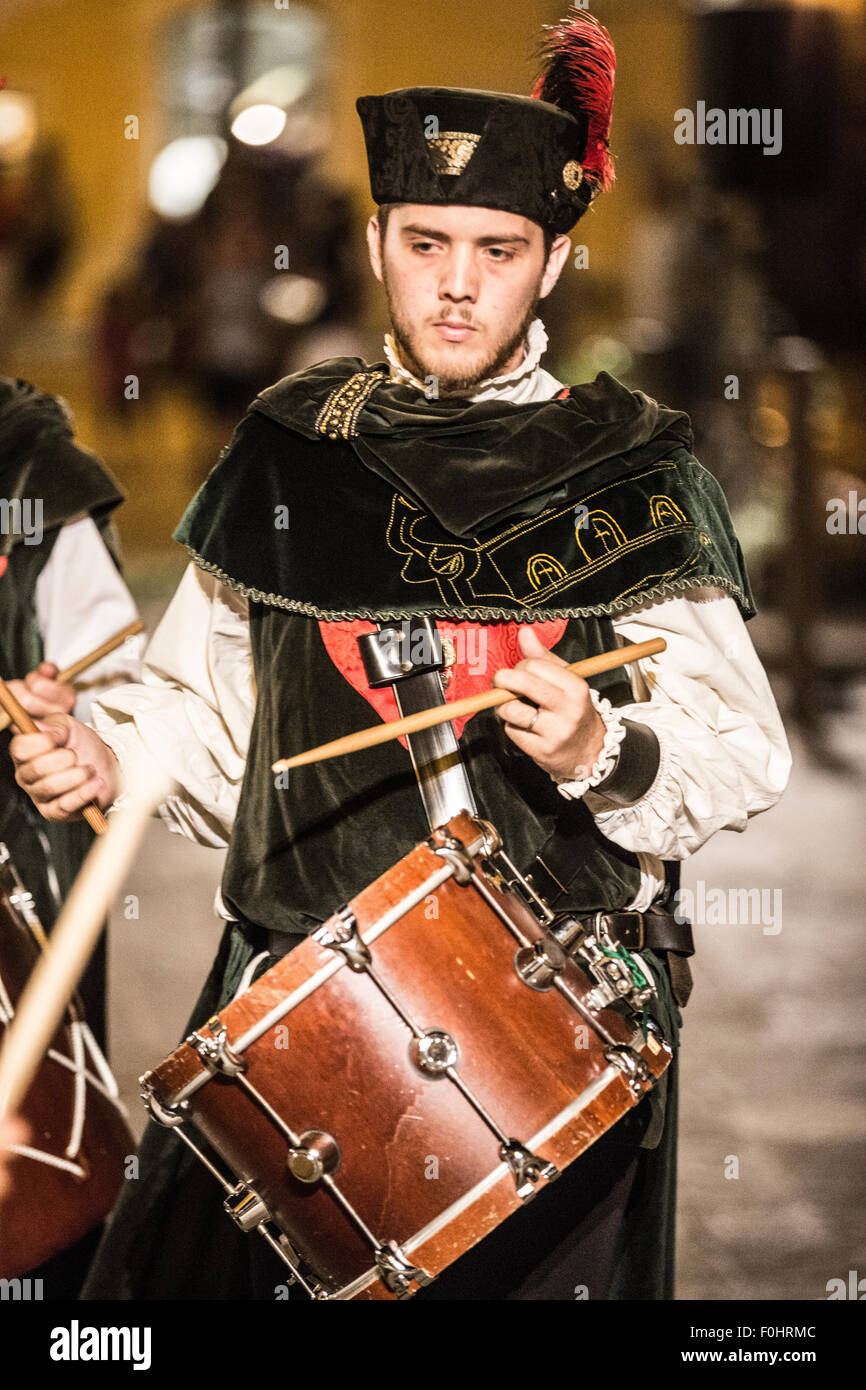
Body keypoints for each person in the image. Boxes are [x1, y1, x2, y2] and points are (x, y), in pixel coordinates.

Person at [11, 8, 790, 1300]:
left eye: (497, 249)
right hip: (301, 1035)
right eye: (425, 243)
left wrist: (606, 744)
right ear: (376, 244)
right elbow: (198, 726)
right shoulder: (286, 458)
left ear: (548, 265)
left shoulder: (631, 470)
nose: (455, 283)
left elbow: (739, 745)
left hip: (551, 1053)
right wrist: (100, 750)